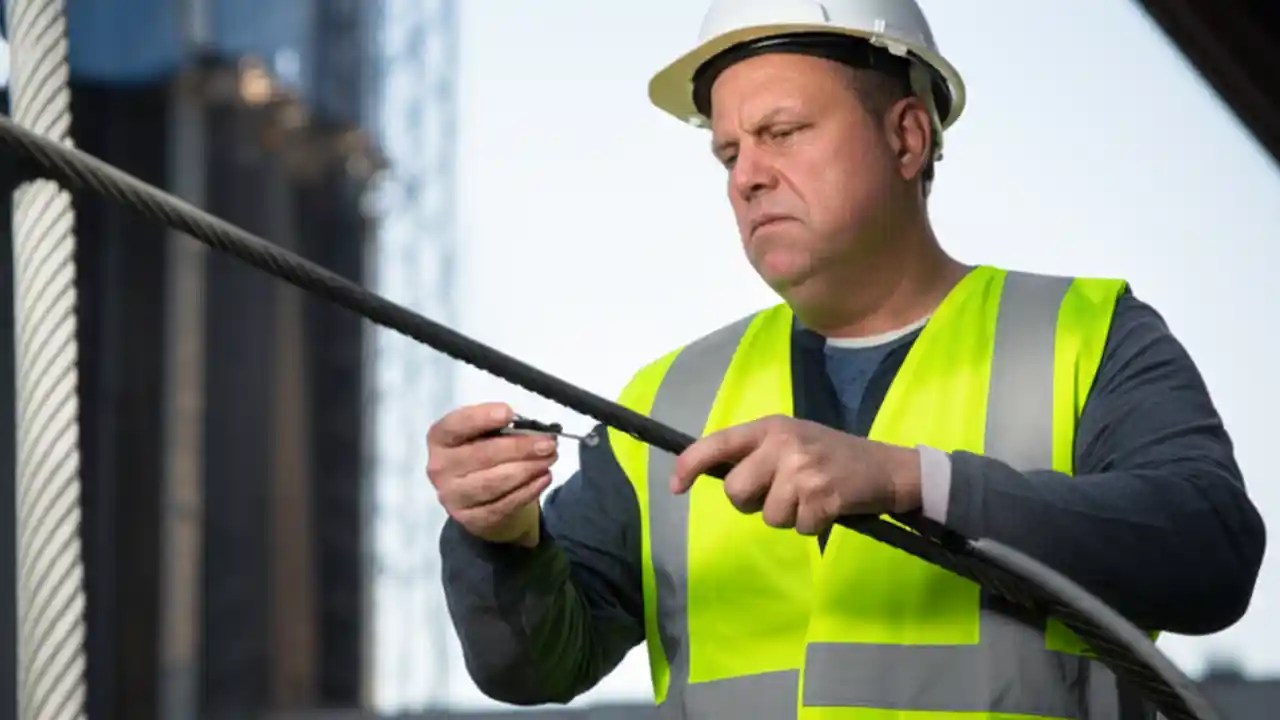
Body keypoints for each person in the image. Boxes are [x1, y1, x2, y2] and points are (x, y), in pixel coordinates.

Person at [427, 0, 1267, 717]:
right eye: (728, 153)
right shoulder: (672, 400)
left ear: (907, 137)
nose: (746, 177)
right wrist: (503, 539)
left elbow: (1210, 553)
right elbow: (534, 667)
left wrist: (911, 481)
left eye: (782, 133)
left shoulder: (1087, 336)